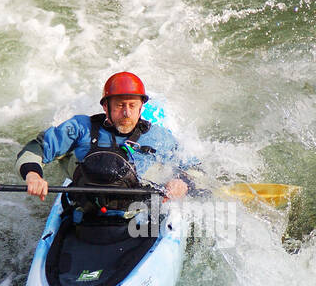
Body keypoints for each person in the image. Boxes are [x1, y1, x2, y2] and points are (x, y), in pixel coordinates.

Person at [16, 72, 199, 211]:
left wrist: (182, 182)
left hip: (134, 213)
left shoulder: (158, 137)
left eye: (132, 106)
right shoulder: (81, 128)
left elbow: (193, 168)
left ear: (141, 107)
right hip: (84, 210)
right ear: (105, 106)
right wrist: (33, 175)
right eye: (120, 105)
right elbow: (35, 149)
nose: (127, 113)